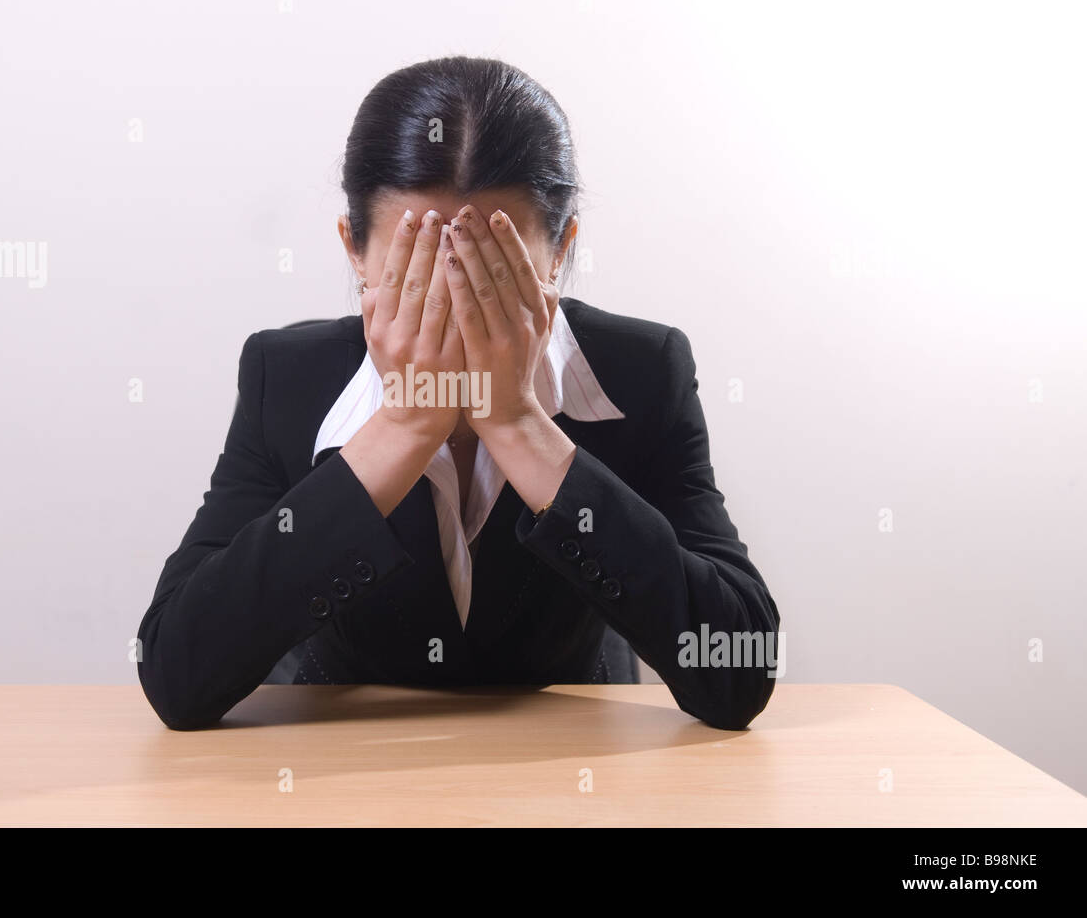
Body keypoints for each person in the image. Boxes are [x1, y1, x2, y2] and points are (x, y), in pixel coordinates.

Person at [136, 56, 780, 731]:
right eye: (418, 271)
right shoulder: (288, 378)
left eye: (492, 275)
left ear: (560, 252)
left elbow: (740, 669)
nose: (456, 308)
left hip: (576, 760)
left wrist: (519, 424)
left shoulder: (642, 371)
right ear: (354, 252)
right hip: (343, 761)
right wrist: (403, 427)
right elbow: (177, 673)